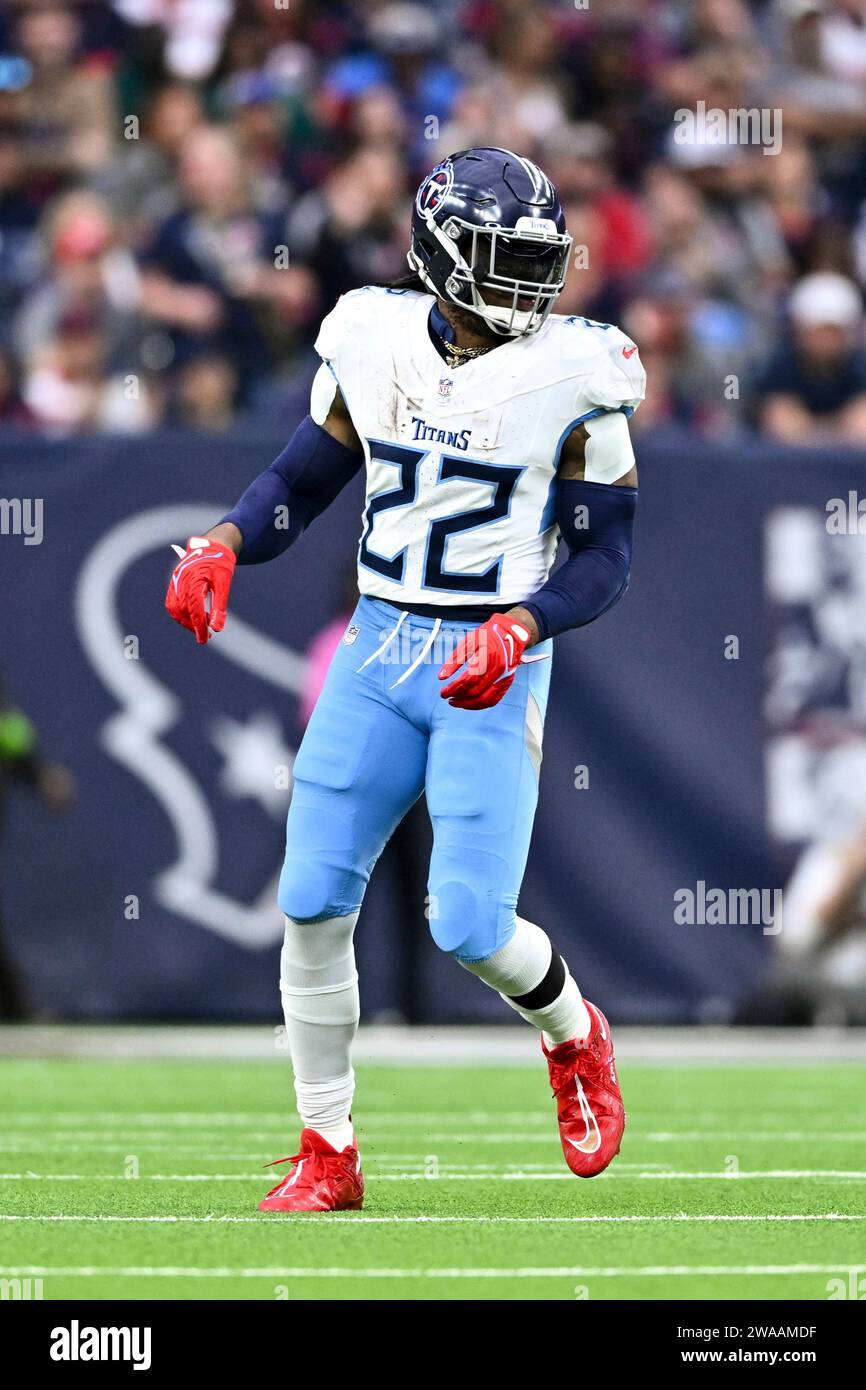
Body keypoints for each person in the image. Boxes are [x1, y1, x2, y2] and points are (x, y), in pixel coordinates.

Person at [165, 147, 642, 1212]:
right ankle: (327, 1147)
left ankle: (573, 1035)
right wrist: (227, 540)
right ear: (439, 253)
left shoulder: (578, 372)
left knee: (470, 923)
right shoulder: (371, 337)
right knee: (309, 897)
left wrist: (520, 625)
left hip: (488, 656)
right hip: (379, 647)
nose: (525, 282)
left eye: (534, 260)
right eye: (500, 257)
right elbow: (302, 479)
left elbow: (604, 557)